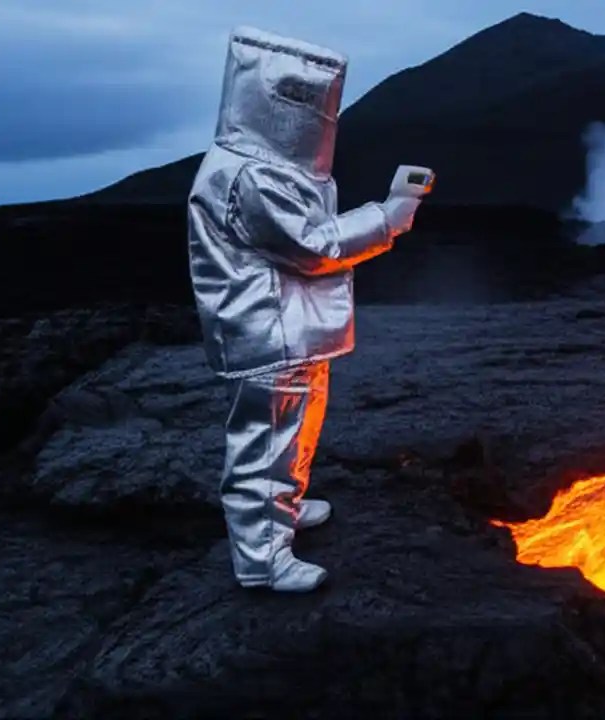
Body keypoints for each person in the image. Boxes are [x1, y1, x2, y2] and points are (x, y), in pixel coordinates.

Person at [187, 26, 426, 592]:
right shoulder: (248, 175)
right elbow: (315, 245)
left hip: (289, 332)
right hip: (268, 336)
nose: (314, 118)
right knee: (266, 445)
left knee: (291, 434)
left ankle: (284, 513)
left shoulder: (260, 165)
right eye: (302, 103)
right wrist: (388, 217)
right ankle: (263, 559)